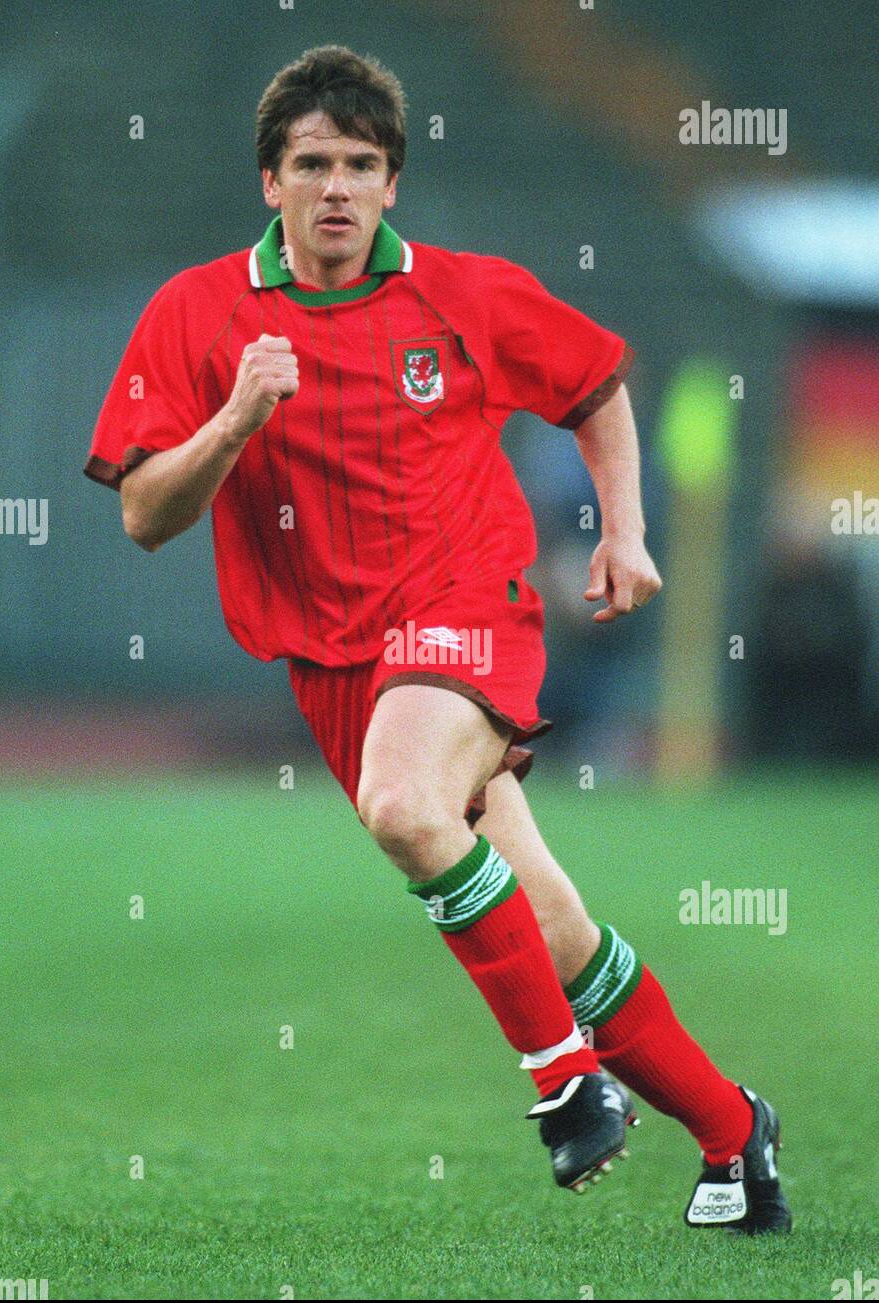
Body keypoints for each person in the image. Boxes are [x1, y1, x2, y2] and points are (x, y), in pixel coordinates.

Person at [86, 45, 790, 1231]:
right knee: (555, 929)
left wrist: (621, 529)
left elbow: (596, 383)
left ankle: (566, 1088)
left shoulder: (462, 291)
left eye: (362, 164)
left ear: (392, 182)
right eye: (311, 164)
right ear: (270, 182)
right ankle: (733, 1134)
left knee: (405, 809)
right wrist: (236, 416)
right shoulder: (198, 314)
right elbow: (145, 515)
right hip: (334, 665)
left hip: (468, 611)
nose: (337, 189)